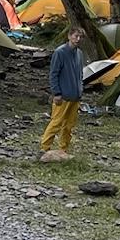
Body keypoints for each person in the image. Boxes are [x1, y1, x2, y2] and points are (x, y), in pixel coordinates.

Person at [41, 27, 85, 161]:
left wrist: (80, 89)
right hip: (63, 95)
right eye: (76, 36)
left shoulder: (79, 54)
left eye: (80, 37)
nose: (78, 39)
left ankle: (63, 148)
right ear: (69, 36)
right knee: (56, 122)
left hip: (75, 96)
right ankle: (44, 147)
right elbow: (53, 74)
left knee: (69, 125)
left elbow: (80, 73)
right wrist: (56, 93)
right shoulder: (60, 52)